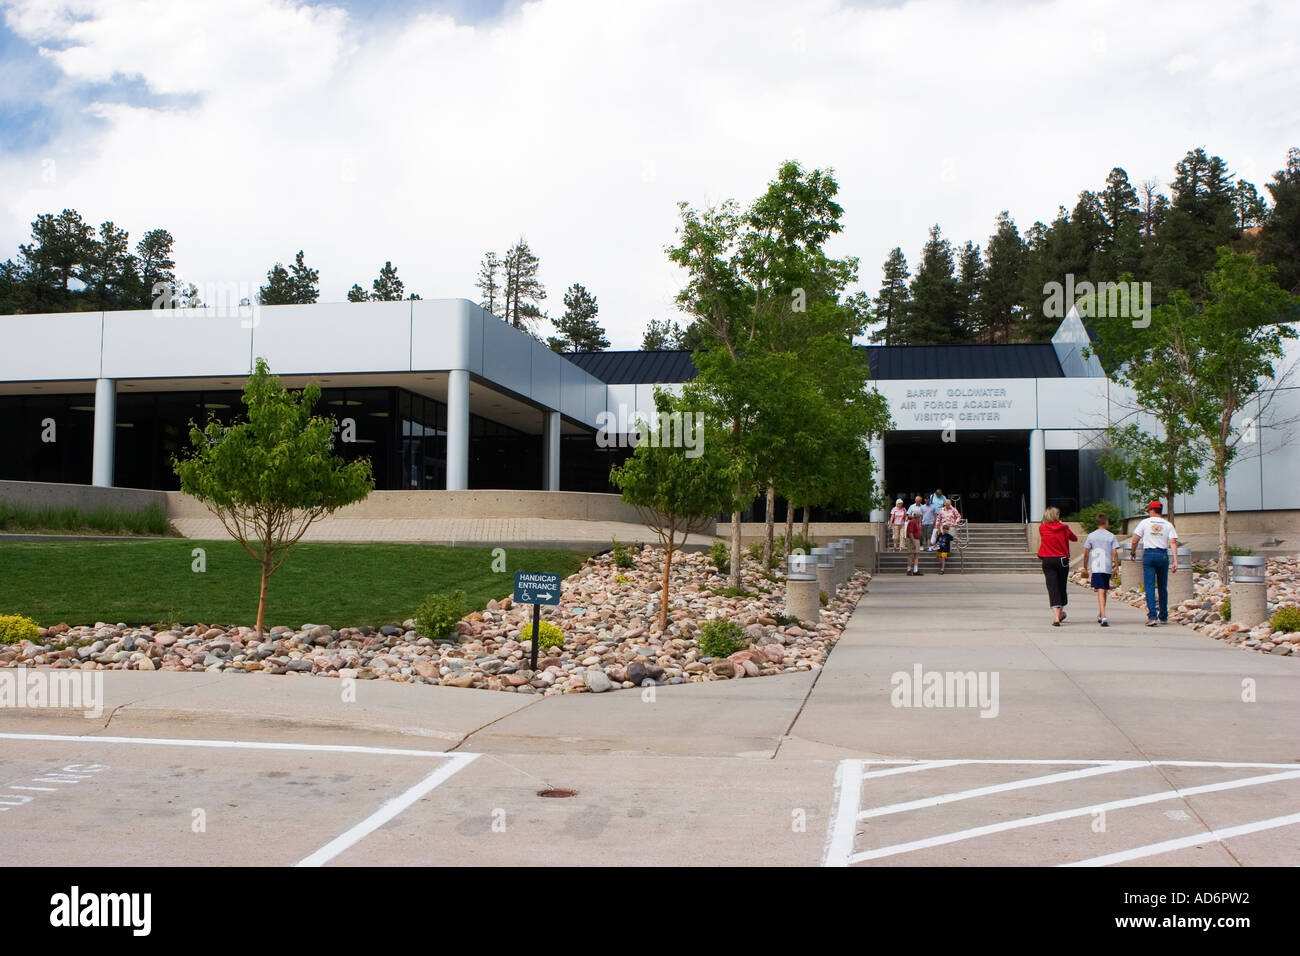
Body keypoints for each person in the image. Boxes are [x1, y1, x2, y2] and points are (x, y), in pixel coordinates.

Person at [1129, 500, 1180, 626]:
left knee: (1150, 586)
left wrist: (1133, 552)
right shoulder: (1168, 524)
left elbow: (1135, 540)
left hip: (1149, 555)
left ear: (1152, 510)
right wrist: (1175, 561)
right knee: (1162, 586)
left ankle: (1152, 616)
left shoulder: (1145, 523)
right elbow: (1173, 542)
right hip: (1163, 555)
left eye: (1149, 511)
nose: (1149, 513)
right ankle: (1163, 615)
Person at [1037, 506, 1078, 626]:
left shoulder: (1042, 528)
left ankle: (1056, 617)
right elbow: (1074, 539)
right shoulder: (1064, 528)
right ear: (1057, 516)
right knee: (1061, 586)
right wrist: (1063, 525)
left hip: (1048, 560)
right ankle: (1060, 613)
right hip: (1062, 560)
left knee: (1052, 588)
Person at [1083, 512, 1121, 626]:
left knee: (1101, 590)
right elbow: (1115, 552)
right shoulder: (1111, 536)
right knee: (1103, 589)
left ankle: (1103, 615)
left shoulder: (1091, 535)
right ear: (1106, 522)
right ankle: (1101, 613)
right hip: (1107, 566)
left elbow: (1086, 552)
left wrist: (1085, 566)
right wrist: (1116, 566)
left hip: (1096, 566)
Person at [905, 509, 923, 575]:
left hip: (917, 539)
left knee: (916, 555)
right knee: (911, 555)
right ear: (916, 515)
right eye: (919, 515)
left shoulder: (917, 522)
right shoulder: (912, 521)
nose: (920, 517)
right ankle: (909, 570)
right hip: (912, 539)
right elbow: (910, 532)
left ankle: (915, 570)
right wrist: (913, 542)